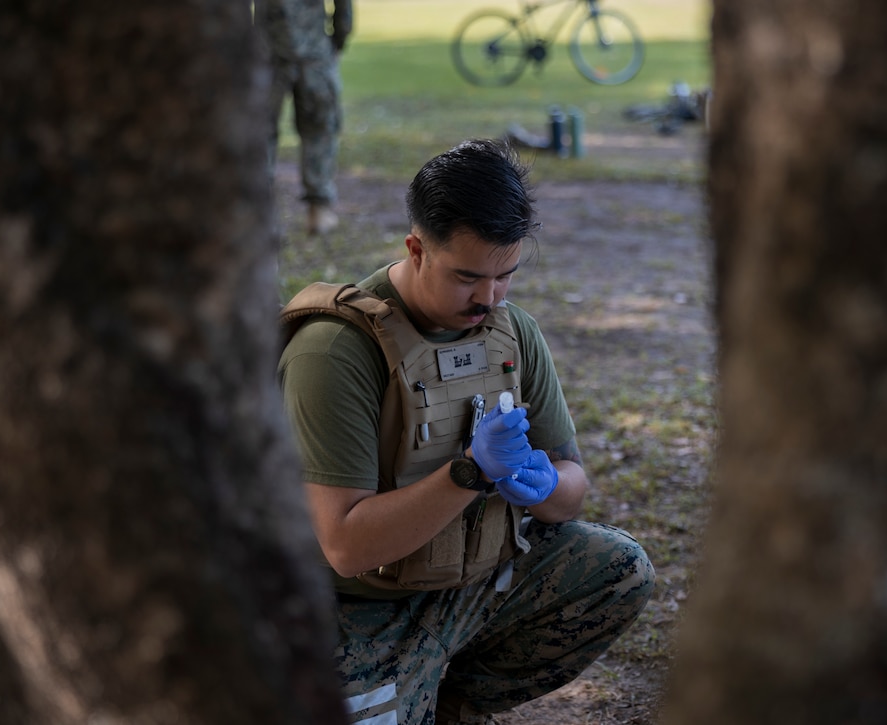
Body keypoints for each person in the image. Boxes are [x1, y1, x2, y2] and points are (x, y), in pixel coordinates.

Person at [278, 139, 655, 724]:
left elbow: (573, 486)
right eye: (467, 277)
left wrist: (543, 485)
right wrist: (471, 474)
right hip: (360, 607)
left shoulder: (512, 332)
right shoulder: (337, 351)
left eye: (506, 275)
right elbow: (345, 546)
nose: (489, 297)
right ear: (416, 249)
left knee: (618, 568)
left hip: (478, 580)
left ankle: (447, 703)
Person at [259, 0, 353, 235]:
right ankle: (318, 210)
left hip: (267, 54)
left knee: (260, 133)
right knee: (319, 132)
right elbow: (344, 9)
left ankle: (260, 210)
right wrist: (338, 39)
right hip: (313, 54)